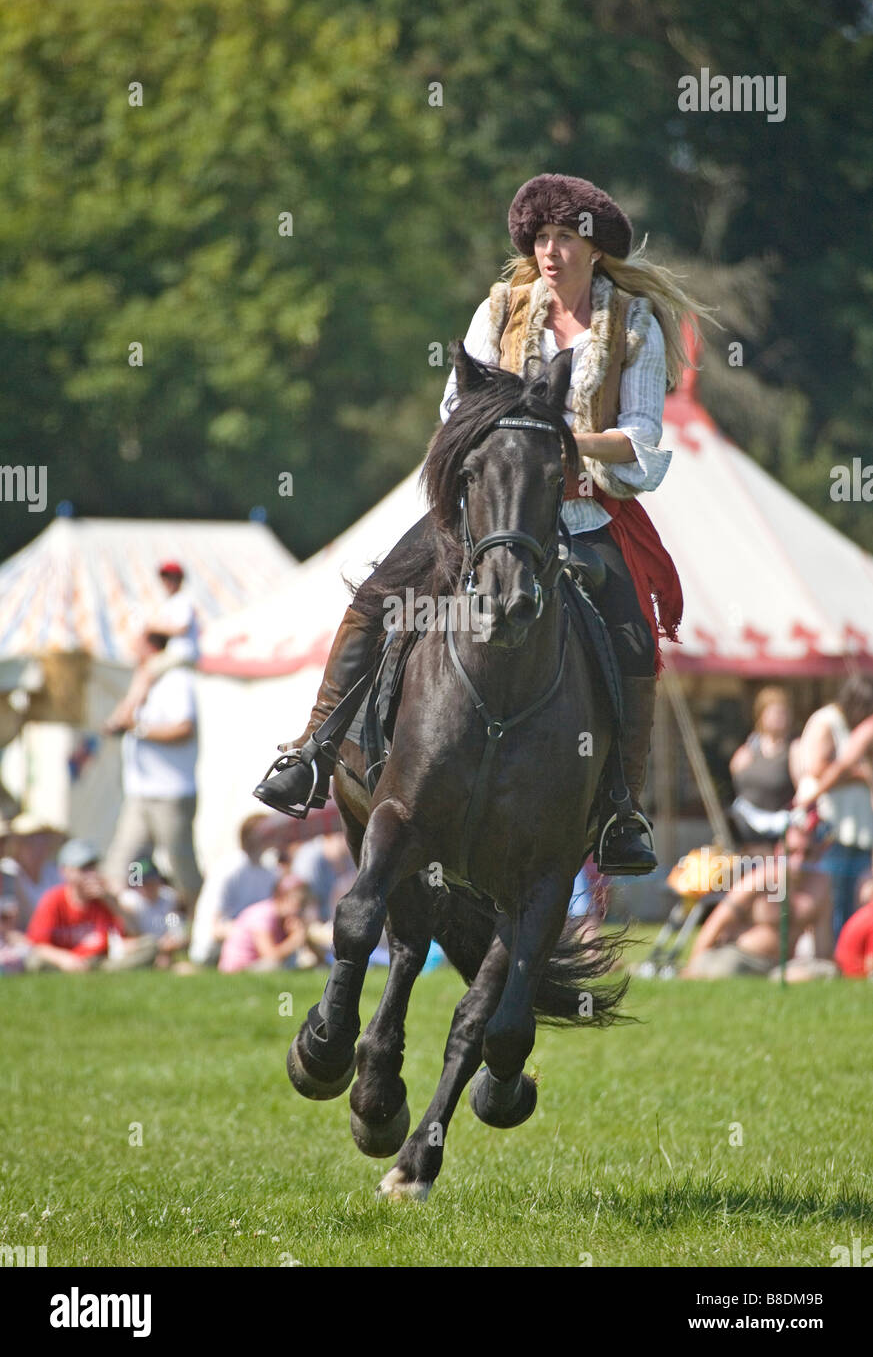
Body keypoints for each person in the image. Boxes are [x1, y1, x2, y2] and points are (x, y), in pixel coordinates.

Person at [254, 173, 715, 873]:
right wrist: (512, 447)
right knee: (375, 600)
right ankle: (312, 752)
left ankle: (621, 809)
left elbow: (643, 440)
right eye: (540, 238)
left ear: (594, 249)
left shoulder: (635, 324)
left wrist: (561, 448)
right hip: (486, 514)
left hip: (584, 511)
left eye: (564, 237)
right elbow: (451, 415)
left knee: (631, 637)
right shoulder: (497, 312)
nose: (550, 251)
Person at [104, 630, 203, 910]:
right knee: (128, 863)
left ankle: (197, 924)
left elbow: (184, 728)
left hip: (171, 793)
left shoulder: (176, 680)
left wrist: (138, 729)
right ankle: (136, 920)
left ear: (150, 646)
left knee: (181, 865)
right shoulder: (145, 682)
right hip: (140, 793)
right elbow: (117, 723)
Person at [682, 811, 834, 980]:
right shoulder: (760, 879)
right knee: (723, 969)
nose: (798, 861)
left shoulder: (820, 887)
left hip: (784, 966)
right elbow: (716, 923)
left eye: (807, 853)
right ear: (779, 851)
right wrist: (693, 965)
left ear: (818, 853)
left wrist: (822, 968)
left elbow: (823, 950)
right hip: (741, 957)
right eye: (792, 852)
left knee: (827, 971)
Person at [795, 676, 873, 937]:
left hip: (856, 826)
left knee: (854, 897)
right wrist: (859, 773)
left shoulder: (854, 726)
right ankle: (831, 953)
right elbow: (816, 768)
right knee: (832, 896)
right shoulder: (827, 720)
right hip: (830, 824)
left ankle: (847, 956)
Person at [26, 837, 155, 970]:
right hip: (66, 960)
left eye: (93, 867)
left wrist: (110, 900)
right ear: (65, 872)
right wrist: (65, 959)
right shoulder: (53, 899)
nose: (91, 874)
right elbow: (37, 945)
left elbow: (133, 932)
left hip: (101, 960)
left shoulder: (104, 898)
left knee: (150, 945)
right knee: (35, 962)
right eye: (84, 868)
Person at [105, 561, 200, 733]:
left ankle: (125, 716)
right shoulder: (170, 603)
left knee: (146, 673)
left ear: (179, 580)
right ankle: (126, 713)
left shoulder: (183, 601)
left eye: (171, 578)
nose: (167, 582)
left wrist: (150, 626)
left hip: (182, 655)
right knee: (144, 672)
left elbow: (180, 627)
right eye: (165, 578)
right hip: (174, 655)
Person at [188, 814, 280, 966]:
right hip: (217, 945)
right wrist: (248, 932)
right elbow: (214, 925)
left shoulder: (269, 872)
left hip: (253, 939)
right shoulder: (230, 868)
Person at [727, 687, 798, 857]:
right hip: (745, 827)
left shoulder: (794, 748)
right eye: (773, 713)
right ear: (762, 715)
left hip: (776, 829)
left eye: (782, 713)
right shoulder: (751, 745)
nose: (778, 718)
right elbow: (734, 770)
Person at [218, 874, 314, 973]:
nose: (300, 909)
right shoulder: (263, 915)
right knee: (276, 965)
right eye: (299, 902)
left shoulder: (284, 919)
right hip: (239, 969)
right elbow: (271, 956)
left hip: (255, 965)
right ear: (282, 897)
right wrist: (295, 939)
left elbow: (318, 958)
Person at [119, 857, 188, 968]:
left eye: (152, 881)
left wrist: (172, 940)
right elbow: (129, 936)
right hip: (143, 947)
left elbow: (176, 927)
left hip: (166, 946)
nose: (149, 886)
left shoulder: (169, 897)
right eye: (144, 883)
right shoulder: (129, 900)